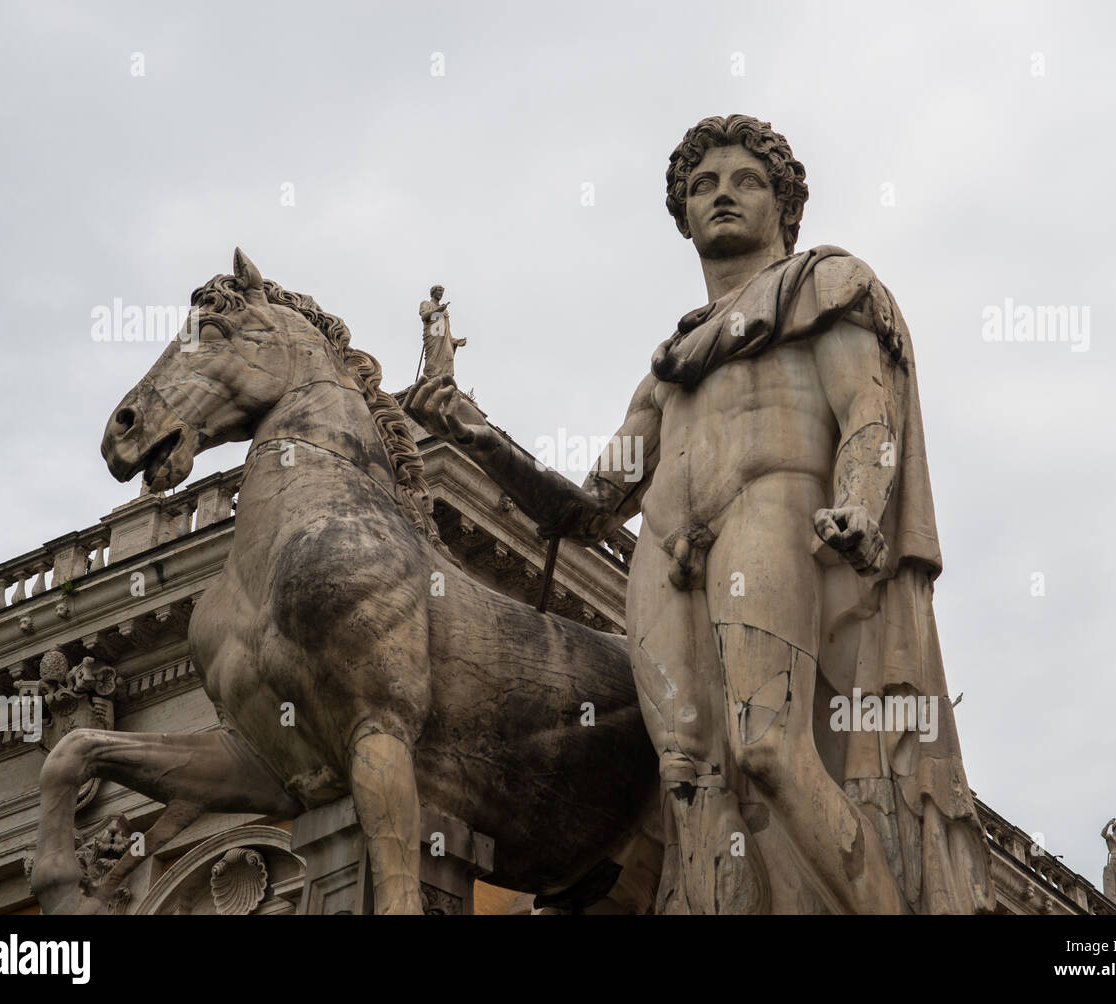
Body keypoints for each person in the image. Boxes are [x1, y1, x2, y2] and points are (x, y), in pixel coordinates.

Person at [408, 115, 993, 914]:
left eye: (744, 181)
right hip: (666, 555)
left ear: (785, 205)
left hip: (772, 512)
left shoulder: (822, 288)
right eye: (701, 186)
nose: (721, 195)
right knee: (688, 781)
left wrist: (858, 501)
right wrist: (477, 435)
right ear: (682, 215)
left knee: (767, 752)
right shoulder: (668, 373)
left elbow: (868, 412)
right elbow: (588, 507)